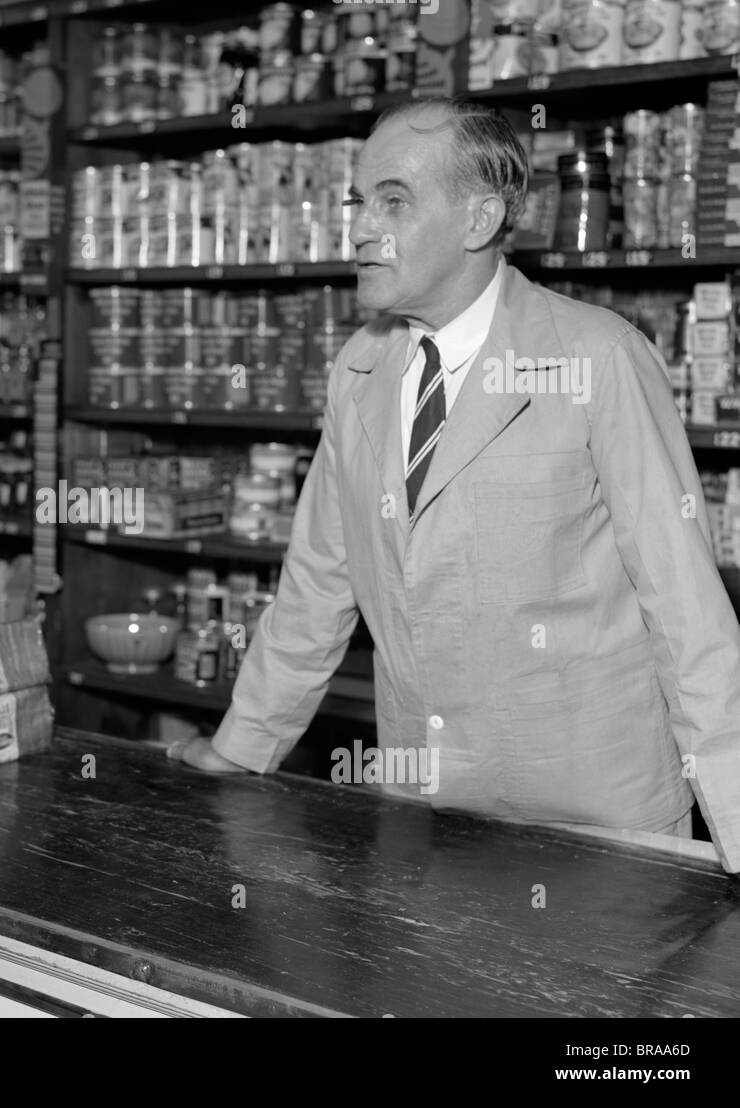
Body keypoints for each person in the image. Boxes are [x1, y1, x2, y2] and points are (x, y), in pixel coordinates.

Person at [172, 98, 740, 873]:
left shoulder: (598, 357)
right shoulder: (360, 370)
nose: (361, 228)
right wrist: (244, 747)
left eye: (393, 201)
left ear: (479, 219)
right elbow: (315, 587)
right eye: (358, 202)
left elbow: (689, 617)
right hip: (423, 814)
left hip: (596, 832)